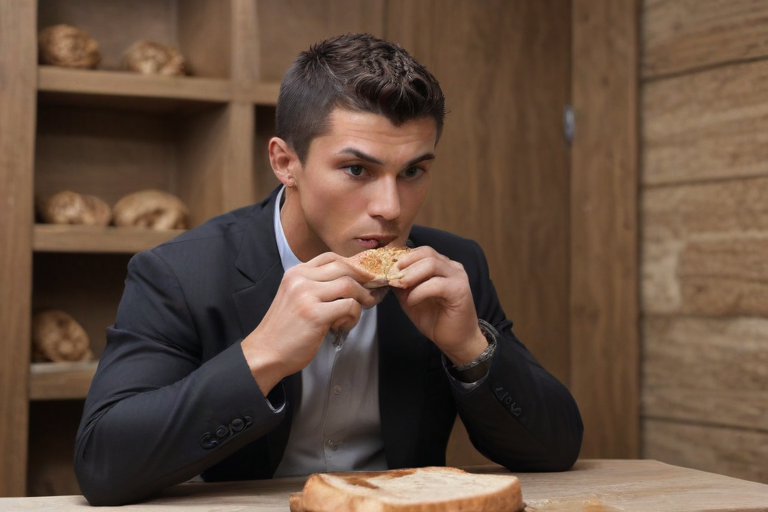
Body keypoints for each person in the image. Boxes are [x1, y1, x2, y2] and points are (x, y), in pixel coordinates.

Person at [74, 33, 583, 506]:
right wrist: (263, 356)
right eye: (357, 169)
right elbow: (102, 463)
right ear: (284, 162)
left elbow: (556, 450)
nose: (390, 207)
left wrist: (470, 349)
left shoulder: (455, 265)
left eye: (413, 172)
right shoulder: (180, 273)